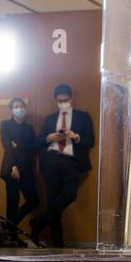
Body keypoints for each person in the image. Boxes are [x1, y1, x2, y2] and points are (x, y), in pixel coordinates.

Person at [30, 85, 95, 248]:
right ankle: (57, 241)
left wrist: (76, 136)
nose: (62, 103)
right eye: (59, 101)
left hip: (71, 161)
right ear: (55, 100)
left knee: (69, 195)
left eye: (65, 100)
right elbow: (38, 141)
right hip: (51, 160)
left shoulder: (82, 117)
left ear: (71, 98)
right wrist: (48, 137)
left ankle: (38, 222)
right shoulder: (50, 119)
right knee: (53, 200)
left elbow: (90, 141)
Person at [0, 97, 39, 240]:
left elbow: (34, 147)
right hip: (12, 167)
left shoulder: (29, 128)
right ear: (11, 109)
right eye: (16, 106)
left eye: (21, 106)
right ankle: (12, 237)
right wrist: (13, 165)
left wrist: (20, 146)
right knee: (12, 202)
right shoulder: (5, 124)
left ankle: (9, 226)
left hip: (27, 168)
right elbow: (7, 146)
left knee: (34, 200)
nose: (19, 109)